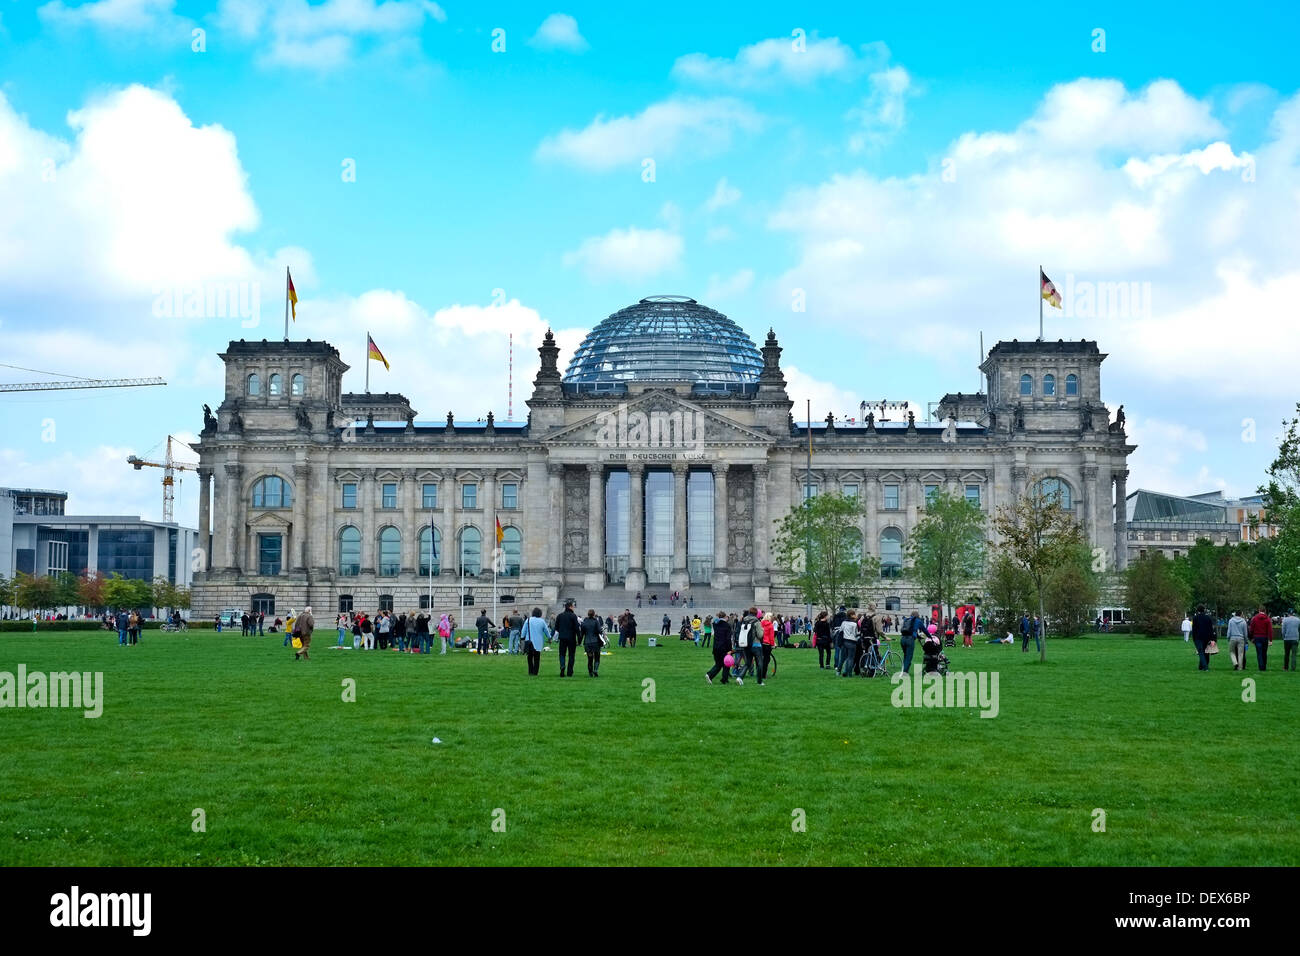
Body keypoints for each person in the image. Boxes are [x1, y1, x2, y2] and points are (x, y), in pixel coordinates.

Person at [705, 610, 733, 685]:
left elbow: (716, 621)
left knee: (718, 664)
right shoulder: (727, 626)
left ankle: (713, 676)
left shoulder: (715, 624)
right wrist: (730, 649)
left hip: (716, 647)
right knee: (726, 664)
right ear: (725, 617)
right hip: (724, 647)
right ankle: (721, 678)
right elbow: (728, 639)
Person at [555, 599, 581, 677]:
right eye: (573, 606)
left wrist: (562, 631)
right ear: (570, 607)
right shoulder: (573, 616)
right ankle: (570, 671)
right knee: (571, 655)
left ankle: (562, 666)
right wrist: (579, 639)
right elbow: (577, 628)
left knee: (562, 654)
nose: (574, 608)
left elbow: (556, 627)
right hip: (571, 638)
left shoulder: (560, 615)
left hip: (562, 638)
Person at [520, 607, 548, 676]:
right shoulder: (542, 621)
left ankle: (530, 671)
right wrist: (549, 637)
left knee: (529, 657)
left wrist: (522, 637)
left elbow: (524, 630)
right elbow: (546, 630)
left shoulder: (528, 620)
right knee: (537, 657)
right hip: (538, 642)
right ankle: (535, 672)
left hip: (529, 641)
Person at [1191, 604, 1216, 671]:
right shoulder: (1208, 618)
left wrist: (1193, 638)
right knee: (1204, 652)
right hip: (1206, 637)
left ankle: (1205, 667)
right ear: (1204, 610)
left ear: (1197, 610)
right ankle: (1201, 666)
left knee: (1201, 652)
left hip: (1198, 637)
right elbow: (1211, 629)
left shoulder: (1195, 618)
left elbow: (1194, 629)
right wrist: (1212, 639)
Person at [1248, 606, 1273, 671]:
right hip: (1265, 637)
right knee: (1264, 653)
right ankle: (1264, 666)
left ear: (1259, 610)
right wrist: (1270, 640)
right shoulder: (1267, 619)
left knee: (1259, 653)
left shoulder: (1254, 618)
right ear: (1265, 611)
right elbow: (1270, 630)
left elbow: (1251, 629)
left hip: (1257, 637)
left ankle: (1261, 666)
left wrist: (1250, 638)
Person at [580, 608, 604, 677]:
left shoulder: (584, 622)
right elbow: (599, 631)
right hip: (595, 642)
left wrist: (579, 642)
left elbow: (582, 633)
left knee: (589, 659)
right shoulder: (596, 621)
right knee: (597, 658)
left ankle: (590, 673)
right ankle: (595, 670)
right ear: (594, 614)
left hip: (587, 643)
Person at [838, 610, 860, 677]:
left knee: (843, 657)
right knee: (850, 658)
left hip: (844, 641)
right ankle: (849, 673)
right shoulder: (854, 624)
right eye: (854, 614)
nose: (855, 615)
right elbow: (855, 633)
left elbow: (841, 631)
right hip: (852, 642)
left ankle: (840, 671)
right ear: (851, 615)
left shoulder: (844, 622)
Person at [901, 609, 923, 674]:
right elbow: (924, 630)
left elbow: (911, 630)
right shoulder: (918, 621)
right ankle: (905, 671)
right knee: (909, 656)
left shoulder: (906, 620)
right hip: (910, 640)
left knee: (905, 655)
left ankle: (904, 669)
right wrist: (930, 637)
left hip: (903, 639)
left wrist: (918, 636)